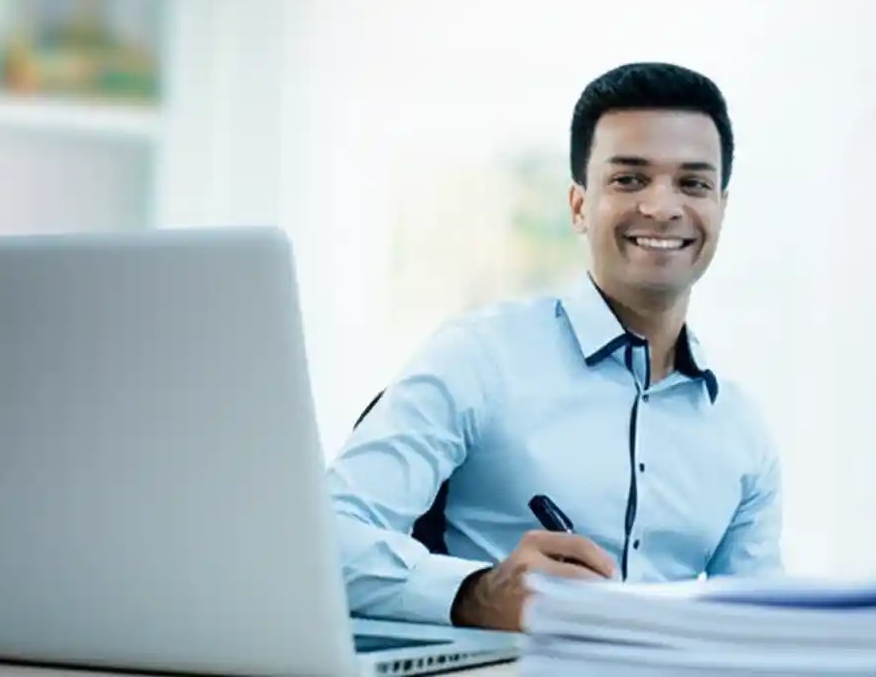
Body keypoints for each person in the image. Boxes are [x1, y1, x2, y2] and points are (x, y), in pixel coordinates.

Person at [326, 62, 783, 632]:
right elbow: (324, 538)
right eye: (629, 180)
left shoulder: (742, 431)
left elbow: (761, 630)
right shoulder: (479, 358)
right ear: (578, 206)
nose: (663, 207)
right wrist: (476, 593)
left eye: (693, 184)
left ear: (721, 208)